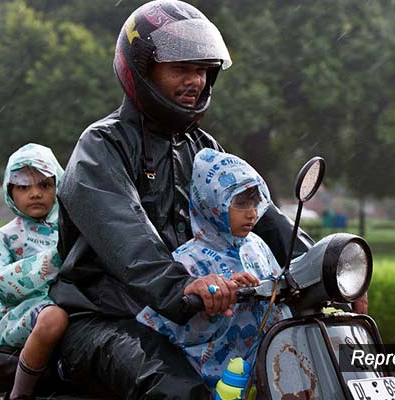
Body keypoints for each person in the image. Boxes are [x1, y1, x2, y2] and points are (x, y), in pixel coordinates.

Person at [49, 1, 363, 398]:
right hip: (106, 318)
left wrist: (326, 269)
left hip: (199, 313)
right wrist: (181, 286)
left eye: (202, 70)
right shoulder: (102, 145)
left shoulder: (202, 148)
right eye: (181, 68)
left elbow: (259, 214)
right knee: (180, 389)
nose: (195, 81)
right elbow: (124, 231)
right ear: (142, 69)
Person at [137, 148, 293, 389]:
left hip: (271, 371)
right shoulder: (186, 261)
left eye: (255, 202)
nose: (251, 212)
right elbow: (163, 334)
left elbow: (279, 290)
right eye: (240, 203)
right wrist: (216, 303)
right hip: (213, 382)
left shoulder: (257, 246)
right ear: (212, 202)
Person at [0, 143, 68, 400]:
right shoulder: (5, 237)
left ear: (58, 186)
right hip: (16, 313)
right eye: (23, 187)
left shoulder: (69, 228)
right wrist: (50, 262)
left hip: (70, 301)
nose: (35, 194)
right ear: (10, 192)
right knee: (54, 318)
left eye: (44, 185)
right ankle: (20, 393)